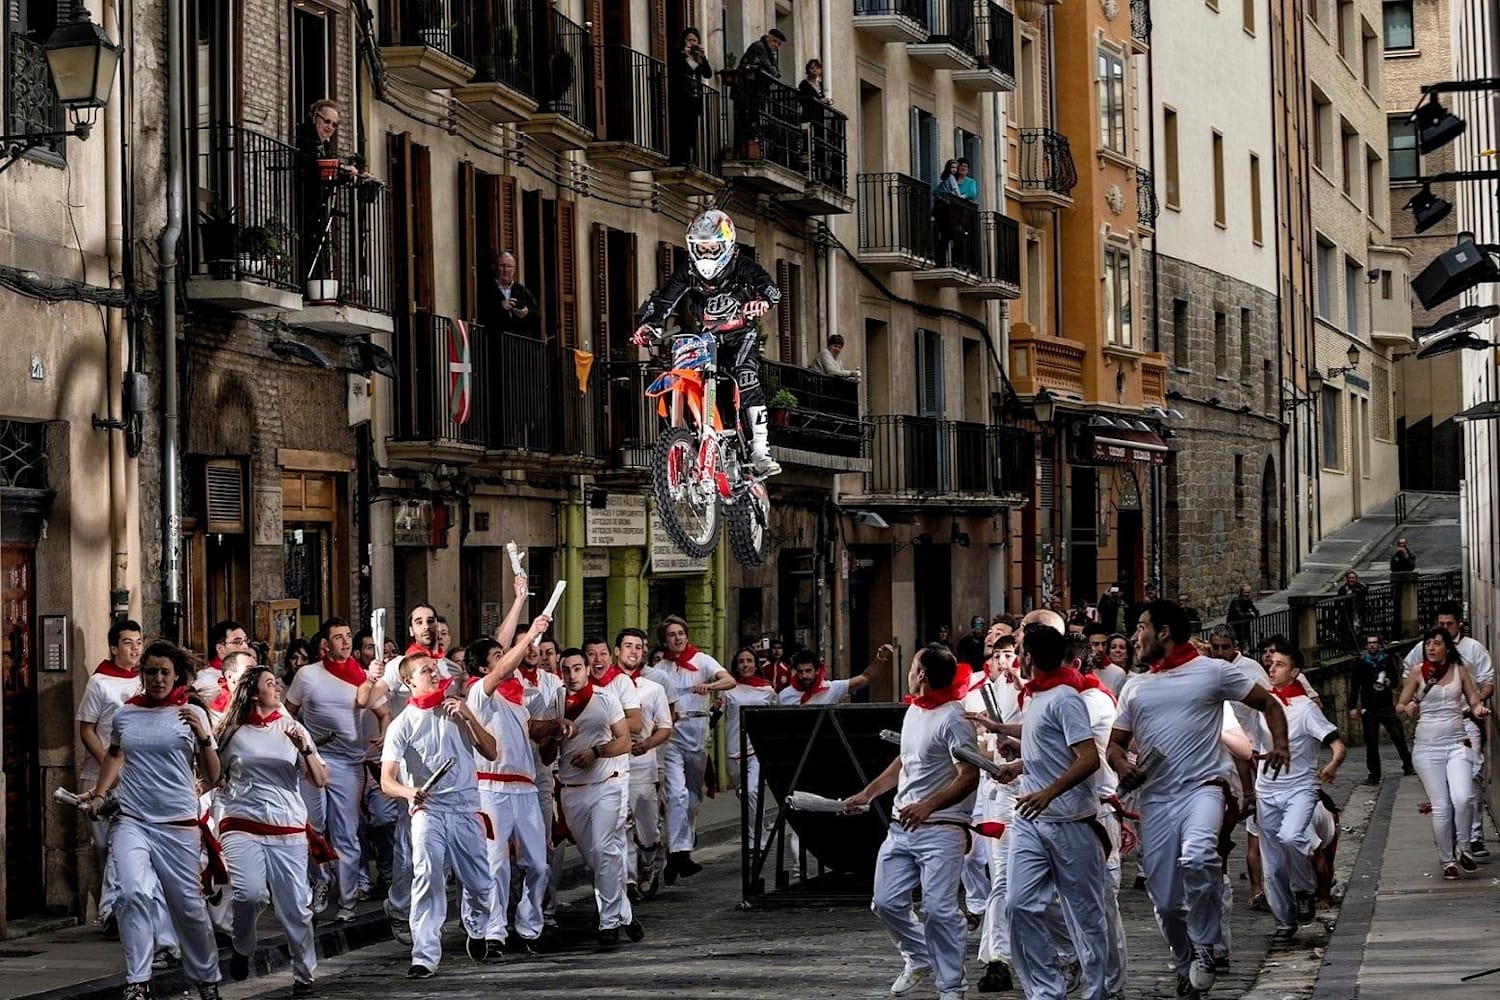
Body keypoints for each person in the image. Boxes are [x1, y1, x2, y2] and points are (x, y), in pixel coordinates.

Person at [1107, 600, 1289, 999]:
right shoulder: (1135, 686)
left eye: (1141, 627)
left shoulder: (1213, 672)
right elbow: (1114, 745)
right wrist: (1122, 767)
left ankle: (1206, 943)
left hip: (1203, 787)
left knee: (1200, 856)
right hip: (1156, 799)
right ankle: (1186, 959)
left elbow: (1268, 703)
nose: (1135, 637)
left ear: (1164, 632)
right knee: (1166, 902)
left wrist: (1280, 744)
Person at [84, 641, 223, 1000]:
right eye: (151, 671)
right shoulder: (126, 714)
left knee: (188, 909)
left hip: (177, 824)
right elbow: (115, 754)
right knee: (132, 893)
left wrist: (203, 737)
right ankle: (138, 981)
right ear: (142, 674)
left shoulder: (191, 711)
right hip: (133, 819)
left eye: (165, 672)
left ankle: (206, 978)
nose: (158, 678)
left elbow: (213, 775)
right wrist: (99, 793)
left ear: (176, 675)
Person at [845, 645, 977, 1000]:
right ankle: (919, 957)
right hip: (901, 827)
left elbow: (969, 775)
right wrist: (868, 793)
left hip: (943, 829)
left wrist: (928, 806)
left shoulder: (954, 719)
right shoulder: (915, 711)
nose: (908, 672)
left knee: (938, 910)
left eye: (912, 665)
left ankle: (952, 987)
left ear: (921, 674)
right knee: (885, 902)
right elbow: (904, 760)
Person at [633, 209, 783, 475]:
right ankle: (690, 434)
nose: (707, 253)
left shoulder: (742, 265)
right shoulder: (687, 272)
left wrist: (763, 301)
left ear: (726, 244)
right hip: (707, 338)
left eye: (713, 247)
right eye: (702, 248)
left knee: (746, 376)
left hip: (740, 334)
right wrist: (648, 324)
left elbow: (771, 288)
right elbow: (665, 301)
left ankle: (760, 449)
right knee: (686, 374)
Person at [1005, 627, 1112, 1000]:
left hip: (1071, 822)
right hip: (1031, 820)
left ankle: (1097, 992)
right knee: (1018, 905)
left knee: (1086, 916)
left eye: (1020, 652)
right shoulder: (1037, 696)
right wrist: (1017, 765)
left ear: (1028, 658)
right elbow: (1048, 749)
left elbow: (1088, 758)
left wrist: (1048, 793)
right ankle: (1047, 992)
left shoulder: (1066, 698)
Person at [380, 652, 498, 978]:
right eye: (426, 670)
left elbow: (491, 751)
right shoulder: (401, 724)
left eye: (435, 669)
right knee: (427, 876)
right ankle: (424, 955)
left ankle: (476, 926)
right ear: (409, 681)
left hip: (466, 808)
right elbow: (387, 780)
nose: (434, 674)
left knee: (480, 884)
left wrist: (469, 716)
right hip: (428, 811)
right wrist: (408, 792)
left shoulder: (457, 710)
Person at [215, 665, 330, 995]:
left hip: (286, 827)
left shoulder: (292, 728)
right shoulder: (230, 732)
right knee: (249, 894)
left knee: (294, 907)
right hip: (241, 821)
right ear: (254, 693)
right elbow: (214, 774)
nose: (277, 688)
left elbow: (319, 780)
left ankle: (304, 974)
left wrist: (304, 749)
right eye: (269, 683)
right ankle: (242, 945)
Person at [459, 619, 552, 957]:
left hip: (525, 788)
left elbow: (530, 730)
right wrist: (530, 635)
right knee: (495, 864)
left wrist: (557, 725)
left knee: (538, 864)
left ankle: (529, 925)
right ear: (484, 668)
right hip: (490, 788)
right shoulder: (478, 693)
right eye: (498, 655)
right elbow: (500, 671)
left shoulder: (517, 698)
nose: (507, 659)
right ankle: (493, 931)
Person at [285, 616, 383, 923]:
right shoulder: (307, 675)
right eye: (338, 637)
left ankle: (348, 901)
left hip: (349, 765)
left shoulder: (363, 676)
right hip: (313, 759)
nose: (346, 641)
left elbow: (383, 711)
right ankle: (320, 880)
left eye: (348, 635)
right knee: (311, 828)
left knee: (346, 833)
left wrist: (383, 733)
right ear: (325, 645)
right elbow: (288, 715)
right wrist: (303, 742)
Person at [552, 648, 644, 947]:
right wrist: (552, 733)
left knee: (604, 849)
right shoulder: (554, 702)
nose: (572, 675)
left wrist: (596, 752)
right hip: (572, 790)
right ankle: (624, 913)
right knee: (595, 858)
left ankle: (608, 924)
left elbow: (625, 741)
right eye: (566, 670)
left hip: (605, 785)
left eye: (577, 668)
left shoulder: (605, 699)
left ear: (587, 669)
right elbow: (545, 752)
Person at [1256, 643, 1345, 940]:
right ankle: (1284, 920)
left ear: (1294, 672)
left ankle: (1304, 889)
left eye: (1279, 664)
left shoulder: (1306, 708)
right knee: (1272, 862)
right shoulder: (1263, 702)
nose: (1272, 668)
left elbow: (1337, 744)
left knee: (1291, 836)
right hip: (1266, 790)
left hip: (1299, 788)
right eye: (1271, 663)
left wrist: (1332, 765)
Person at [1400, 600, 1493, 855]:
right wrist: (1412, 701)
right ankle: (1449, 843)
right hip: (1431, 733)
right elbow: (1408, 680)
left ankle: (1473, 836)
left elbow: (1487, 683)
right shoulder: (1422, 651)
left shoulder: (1472, 650)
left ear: (1458, 624)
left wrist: (1477, 704)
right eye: (1441, 623)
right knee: (1442, 796)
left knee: (1470, 780)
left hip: (1465, 723)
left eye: (1449, 623)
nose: (1445, 627)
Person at [654, 616, 735, 881]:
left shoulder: (702, 661)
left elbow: (729, 680)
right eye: (671, 635)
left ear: (686, 635)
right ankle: (680, 852)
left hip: (698, 738)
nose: (677, 638)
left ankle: (676, 852)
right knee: (676, 794)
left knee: (691, 798)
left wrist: (709, 686)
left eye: (680, 633)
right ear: (665, 640)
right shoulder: (660, 669)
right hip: (672, 738)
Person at [617, 629, 674, 898]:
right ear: (617, 651)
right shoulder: (607, 687)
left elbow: (665, 727)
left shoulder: (653, 689)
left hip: (643, 767)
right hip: (614, 768)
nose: (633, 651)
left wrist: (648, 744)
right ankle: (628, 881)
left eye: (638, 647)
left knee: (648, 829)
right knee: (622, 825)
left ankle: (649, 863)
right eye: (628, 646)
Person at [721, 648, 777, 847]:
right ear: (736, 666)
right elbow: (717, 713)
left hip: (757, 750)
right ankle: (758, 831)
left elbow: (775, 718)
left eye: (749, 661)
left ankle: (755, 839)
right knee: (743, 794)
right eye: (741, 661)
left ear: (755, 664)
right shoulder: (728, 690)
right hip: (734, 750)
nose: (745, 665)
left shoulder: (767, 690)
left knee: (752, 791)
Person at [1349, 633, 1414, 784]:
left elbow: (1396, 680)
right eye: (1369, 643)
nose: (1372, 645)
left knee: (1398, 735)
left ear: (1379, 644)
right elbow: (1355, 686)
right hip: (1369, 706)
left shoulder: (1386, 659)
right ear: (1366, 646)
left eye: (1375, 643)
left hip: (1385, 704)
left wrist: (1390, 681)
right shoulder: (1361, 663)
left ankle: (1408, 765)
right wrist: (1352, 706)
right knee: (1371, 742)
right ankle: (1374, 774)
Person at [667, 27, 713, 166]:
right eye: (689, 40)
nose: (692, 43)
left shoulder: (698, 57)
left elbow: (708, 74)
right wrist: (686, 57)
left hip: (694, 98)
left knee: (691, 130)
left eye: (694, 40)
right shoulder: (678, 54)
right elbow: (676, 70)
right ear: (684, 41)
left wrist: (702, 58)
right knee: (679, 128)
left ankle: (689, 158)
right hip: (680, 97)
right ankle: (678, 158)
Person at [778, 646, 884, 705]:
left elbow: (866, 678)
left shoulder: (832, 688)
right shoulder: (784, 696)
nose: (804, 675)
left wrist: (880, 658)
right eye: (800, 671)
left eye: (808, 671)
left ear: (817, 670)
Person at [476, 250, 540, 338]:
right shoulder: (485, 289)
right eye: (502, 266)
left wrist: (527, 313)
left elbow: (537, 314)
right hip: (493, 340)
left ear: (514, 269)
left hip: (518, 342)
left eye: (509, 266)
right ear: (494, 267)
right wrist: (500, 306)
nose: (505, 270)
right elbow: (480, 312)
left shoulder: (522, 290)